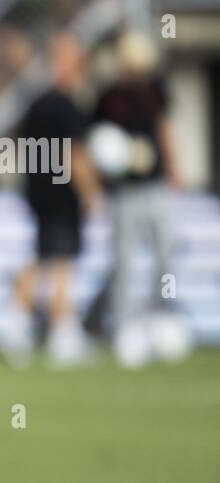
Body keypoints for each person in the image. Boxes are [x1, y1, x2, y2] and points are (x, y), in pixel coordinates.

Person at [3, 32, 102, 367]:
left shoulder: (36, 103)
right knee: (60, 262)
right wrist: (91, 193)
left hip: (37, 192)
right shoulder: (65, 105)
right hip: (60, 196)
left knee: (46, 257)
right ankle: (62, 332)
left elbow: (20, 146)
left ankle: (20, 323)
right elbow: (75, 154)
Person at [91, 30, 182, 368]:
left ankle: (162, 316)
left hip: (155, 185)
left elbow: (163, 128)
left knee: (164, 253)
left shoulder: (156, 89)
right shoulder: (108, 97)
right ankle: (126, 326)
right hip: (125, 190)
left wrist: (173, 166)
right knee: (125, 260)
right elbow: (97, 143)